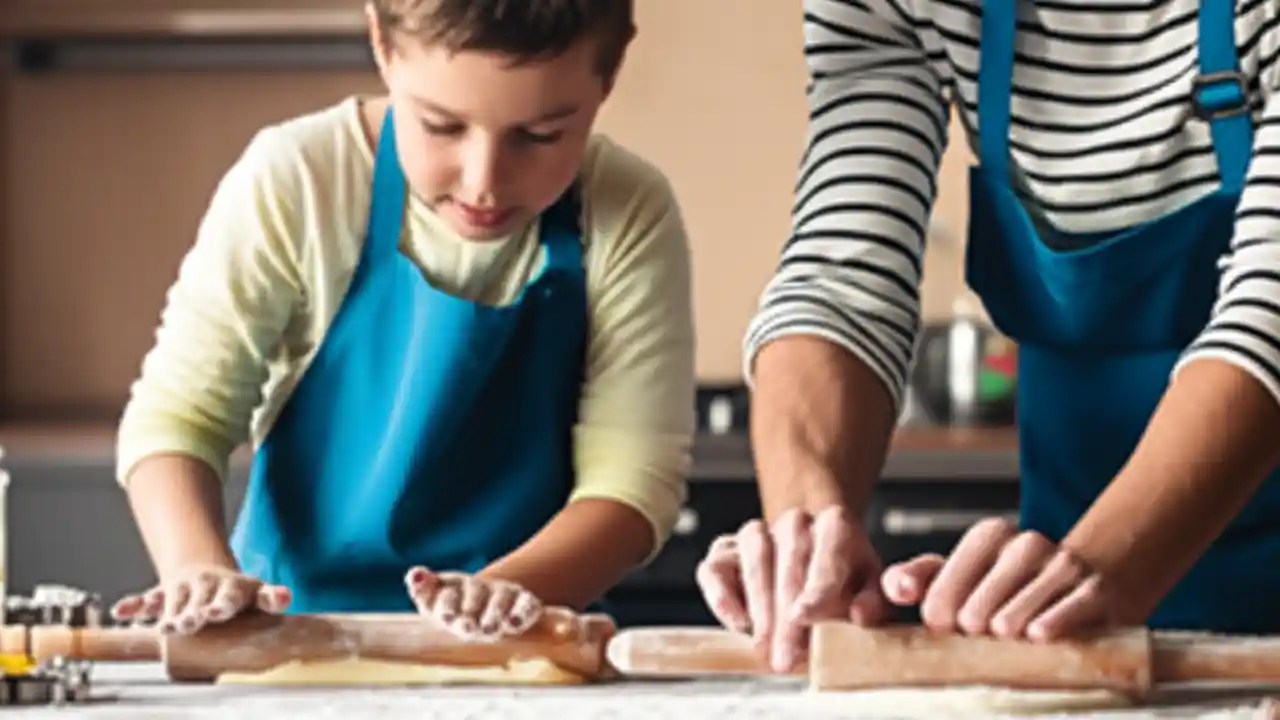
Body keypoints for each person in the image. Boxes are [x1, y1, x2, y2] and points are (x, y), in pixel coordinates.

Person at [698, 0, 1280, 673]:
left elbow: (1270, 311)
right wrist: (808, 537)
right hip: (1074, 587)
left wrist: (1108, 561)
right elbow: (842, 273)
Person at [108, 0, 694, 640]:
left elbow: (633, 483)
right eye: (442, 126)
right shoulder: (301, 180)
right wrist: (197, 568)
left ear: (608, 77)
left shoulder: (625, 212)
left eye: (539, 136)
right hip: (285, 647)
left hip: (518, 653)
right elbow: (180, 418)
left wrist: (504, 593)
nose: (484, 184)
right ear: (383, 47)